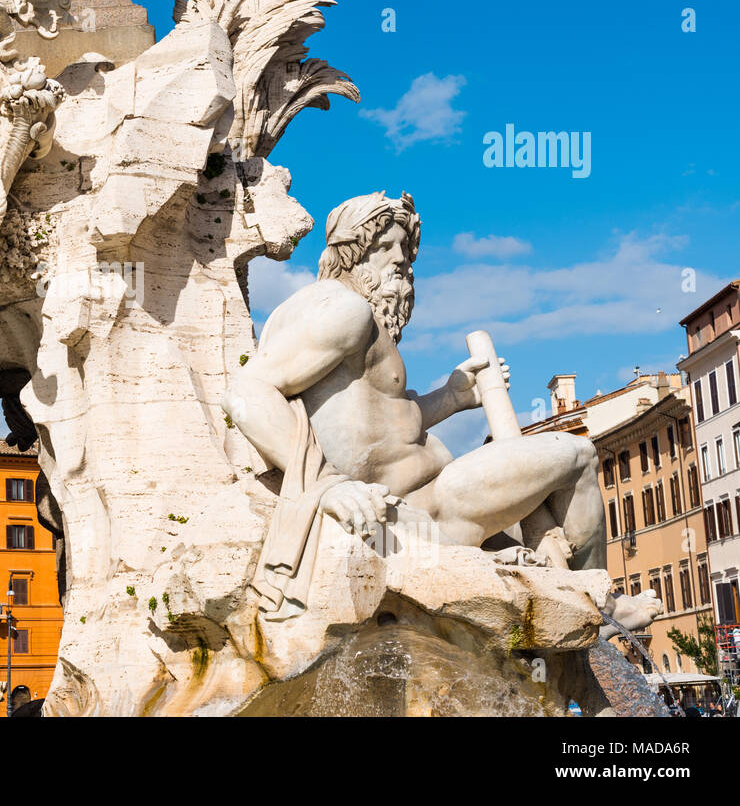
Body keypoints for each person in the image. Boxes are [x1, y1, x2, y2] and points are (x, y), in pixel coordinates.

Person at [224, 191, 605, 617]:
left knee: (538, 517)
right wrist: (329, 486)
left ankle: (572, 597)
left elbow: (379, 427)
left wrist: (452, 397)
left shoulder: (344, 317)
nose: (401, 260)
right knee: (579, 454)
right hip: (421, 511)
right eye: (385, 246)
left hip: (420, 502)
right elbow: (245, 393)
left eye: (406, 248)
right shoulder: (345, 312)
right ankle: (597, 606)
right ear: (351, 253)